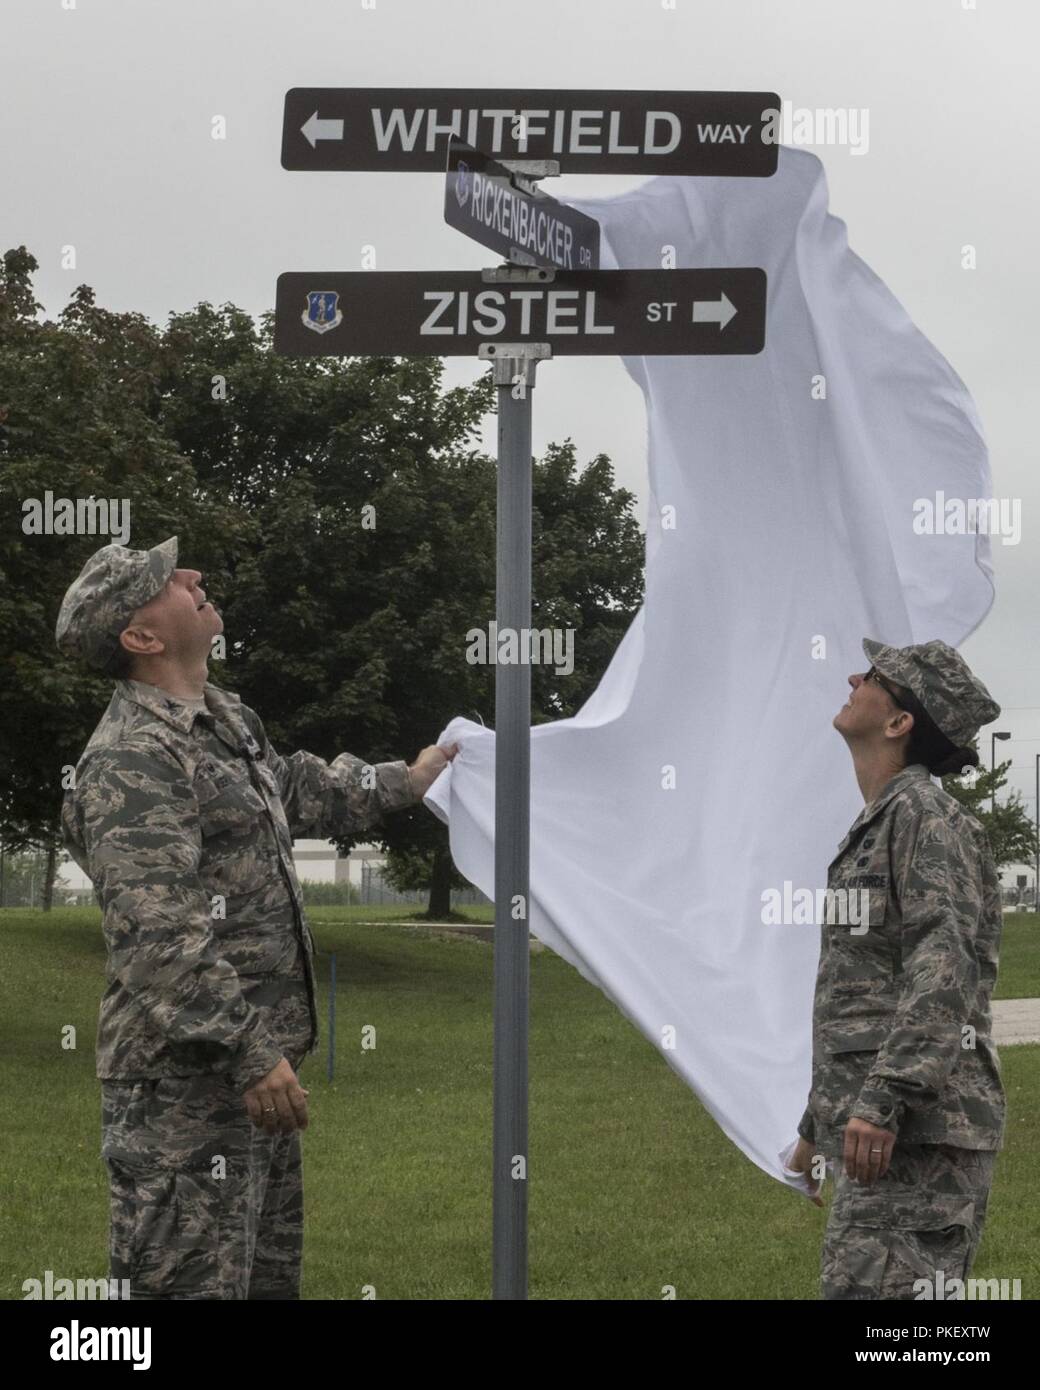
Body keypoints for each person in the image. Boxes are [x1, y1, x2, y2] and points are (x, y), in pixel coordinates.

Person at [55, 536, 458, 1299]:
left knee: (262, 1285)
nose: (192, 575)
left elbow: (299, 789)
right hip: (185, 1092)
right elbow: (158, 937)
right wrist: (249, 1052)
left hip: (251, 1084)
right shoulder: (132, 759)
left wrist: (410, 778)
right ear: (140, 637)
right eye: (164, 580)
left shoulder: (222, 720)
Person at [787, 638, 1005, 1300]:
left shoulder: (923, 816)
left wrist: (882, 1102)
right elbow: (871, 993)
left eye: (875, 677)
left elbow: (944, 970)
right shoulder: (885, 821)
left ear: (898, 722)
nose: (854, 677)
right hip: (888, 1133)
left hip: (914, 1133)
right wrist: (815, 1126)